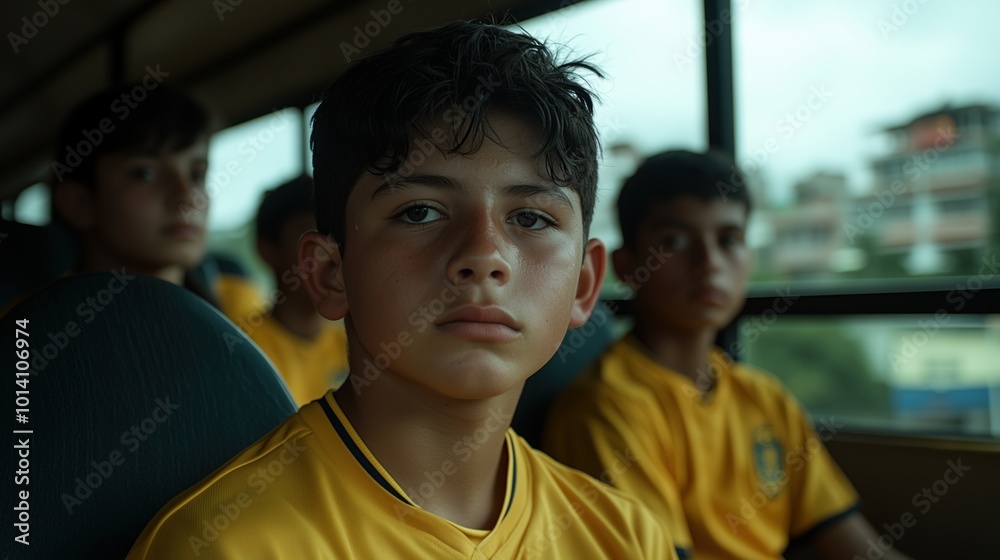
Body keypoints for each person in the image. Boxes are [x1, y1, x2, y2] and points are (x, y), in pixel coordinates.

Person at [126, 21, 676, 559]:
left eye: (531, 219)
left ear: (583, 283)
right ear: (330, 273)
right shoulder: (229, 543)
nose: (484, 256)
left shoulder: (627, 538)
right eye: (420, 212)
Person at [544, 150, 913, 560]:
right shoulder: (607, 407)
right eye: (674, 241)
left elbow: (853, 543)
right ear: (626, 265)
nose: (709, 264)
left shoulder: (764, 397)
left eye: (729, 240)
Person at [49, 84, 258, 312]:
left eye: (197, 175)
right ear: (79, 203)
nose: (188, 198)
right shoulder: (34, 322)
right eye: (145, 174)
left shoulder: (239, 308)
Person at [247, 174, 348, 406]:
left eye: (337, 235)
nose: (332, 252)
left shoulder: (357, 349)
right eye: (312, 238)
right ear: (267, 250)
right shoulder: (243, 350)